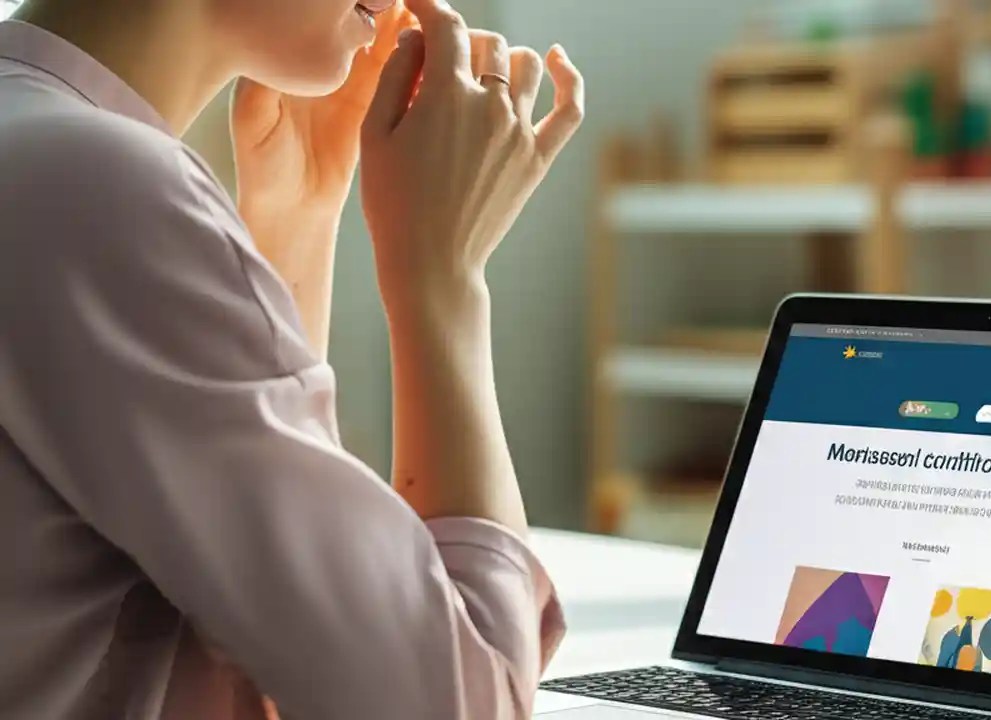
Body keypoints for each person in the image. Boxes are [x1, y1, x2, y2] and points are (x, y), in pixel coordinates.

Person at [0, 0, 584, 716]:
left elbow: (288, 624)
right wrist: (443, 278)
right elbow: (451, 705)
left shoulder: (36, 142)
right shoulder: (93, 183)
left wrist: (297, 219)